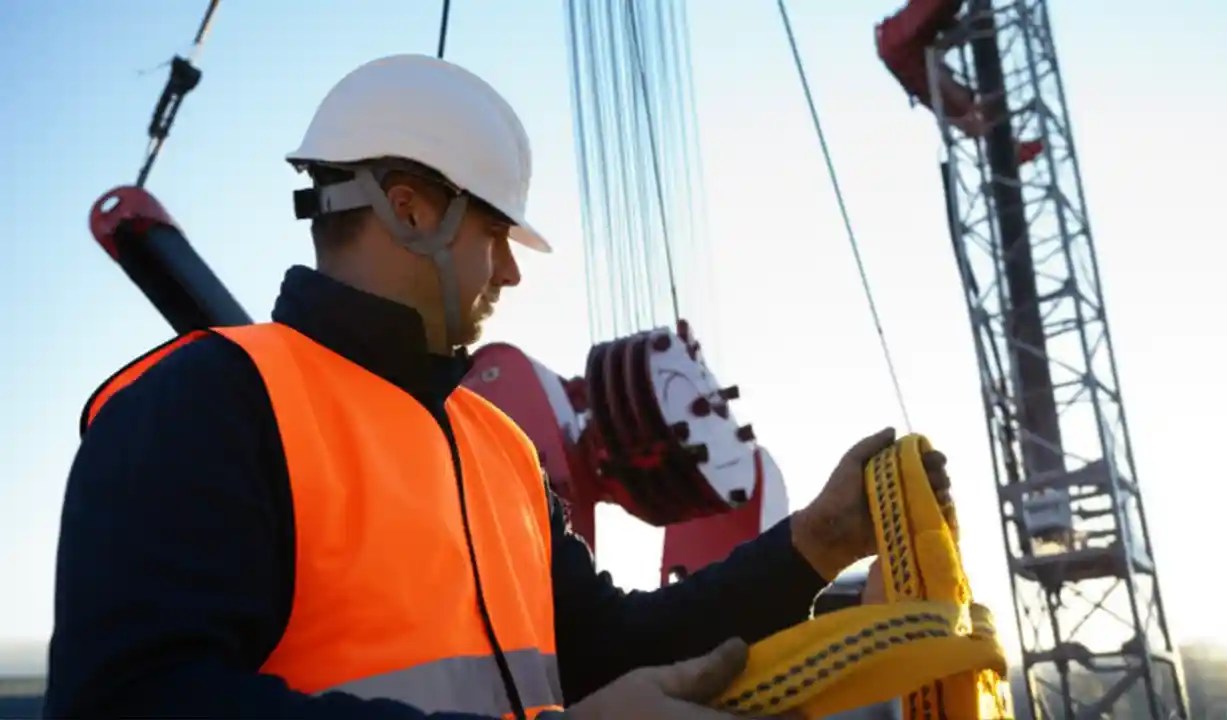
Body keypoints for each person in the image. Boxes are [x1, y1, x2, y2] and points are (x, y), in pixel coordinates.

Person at [44, 55, 951, 720]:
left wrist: (816, 542)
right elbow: (134, 701)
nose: (511, 273)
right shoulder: (207, 402)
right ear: (408, 207)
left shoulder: (497, 447)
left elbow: (602, 648)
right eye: (495, 234)